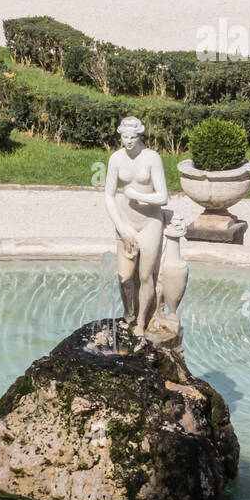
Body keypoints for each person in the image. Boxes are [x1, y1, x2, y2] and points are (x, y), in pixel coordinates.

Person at [103, 117, 169, 338]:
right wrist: (121, 228)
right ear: (120, 136)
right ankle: (129, 313)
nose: (128, 142)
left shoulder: (152, 158)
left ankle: (140, 321)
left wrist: (137, 195)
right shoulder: (116, 159)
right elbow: (109, 196)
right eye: (124, 137)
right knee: (124, 276)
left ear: (140, 136)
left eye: (133, 137)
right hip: (127, 223)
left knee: (144, 275)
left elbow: (163, 197)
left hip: (150, 222)